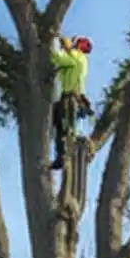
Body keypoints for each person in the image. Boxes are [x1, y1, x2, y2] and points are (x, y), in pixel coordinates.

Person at [50, 35, 93, 170]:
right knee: (59, 124)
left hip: (71, 97)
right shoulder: (78, 59)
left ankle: (64, 156)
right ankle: (63, 154)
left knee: (65, 128)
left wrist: (51, 46)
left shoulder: (77, 57)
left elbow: (57, 58)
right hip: (69, 96)